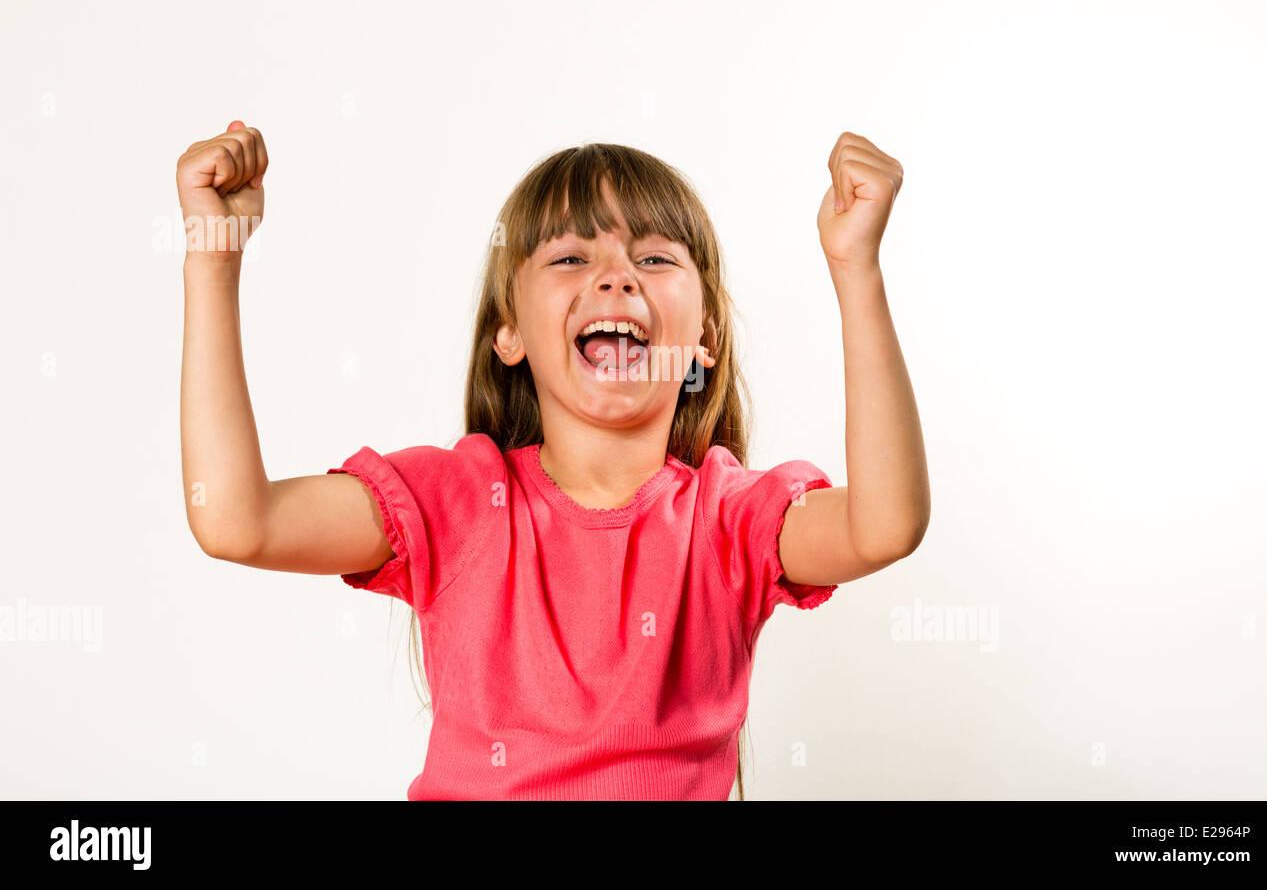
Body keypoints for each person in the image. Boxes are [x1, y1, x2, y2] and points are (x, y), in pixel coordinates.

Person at [176, 122, 929, 800]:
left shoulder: (727, 520)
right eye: (571, 256)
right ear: (510, 335)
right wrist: (214, 261)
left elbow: (885, 526)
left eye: (655, 256)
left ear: (702, 341)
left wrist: (855, 266)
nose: (617, 275)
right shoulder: (458, 503)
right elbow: (237, 521)